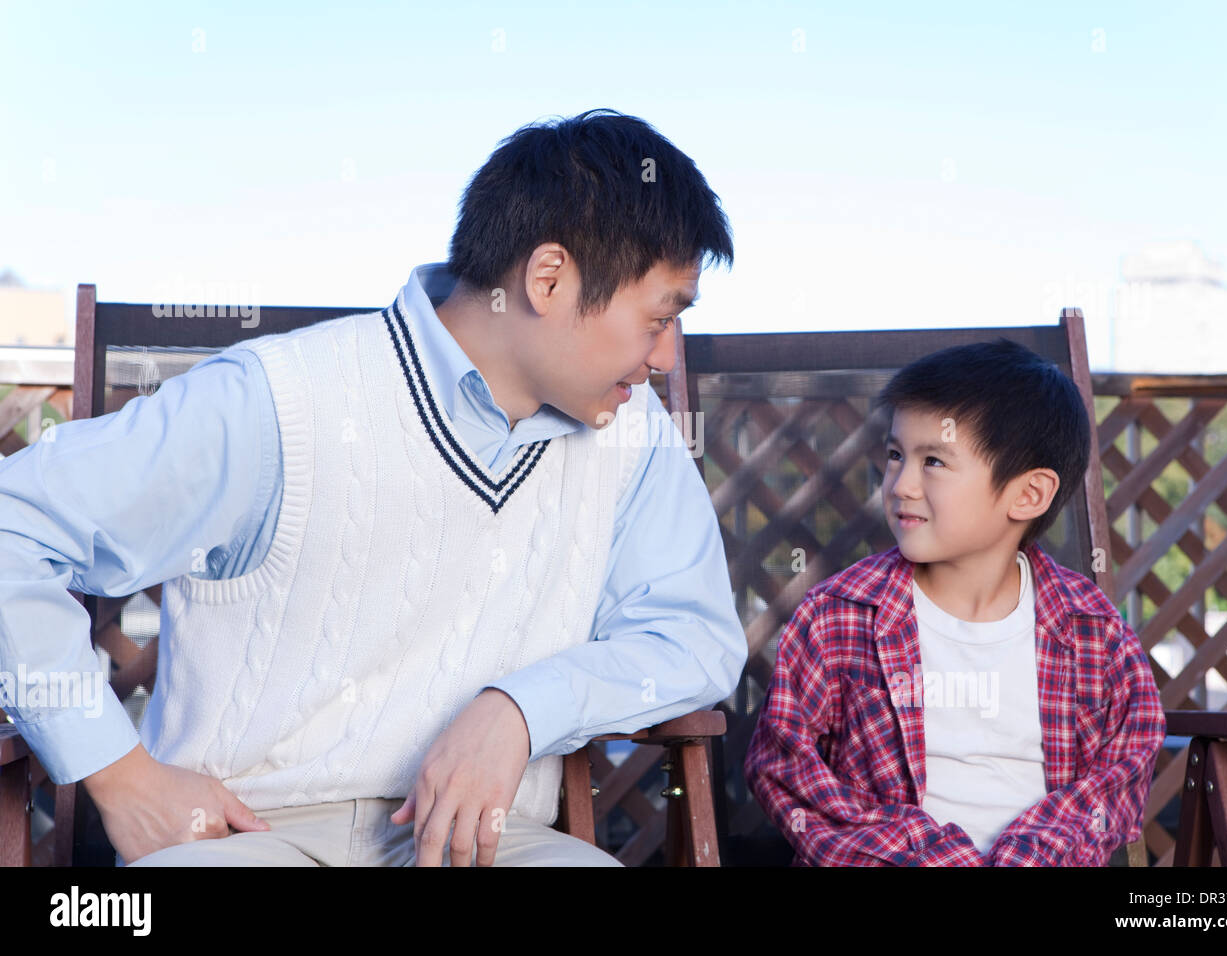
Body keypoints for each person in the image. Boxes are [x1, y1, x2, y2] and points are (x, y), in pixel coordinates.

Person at [0, 108, 747, 867]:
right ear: (548, 279)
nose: (662, 355)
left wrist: (524, 708)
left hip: (490, 845)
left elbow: (694, 639)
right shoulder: (274, 403)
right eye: (658, 318)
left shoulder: (633, 433)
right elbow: (11, 532)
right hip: (247, 838)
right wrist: (119, 775)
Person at [743, 338, 1166, 866]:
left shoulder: (1092, 630)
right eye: (896, 455)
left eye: (934, 461)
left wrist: (1030, 857)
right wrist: (927, 857)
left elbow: (1123, 767)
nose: (901, 485)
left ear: (1028, 495)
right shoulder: (838, 615)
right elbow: (782, 765)